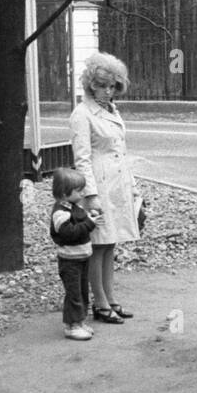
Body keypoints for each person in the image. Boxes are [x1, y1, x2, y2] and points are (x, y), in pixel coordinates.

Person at [70, 52, 139, 326]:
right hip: (98, 184)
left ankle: (110, 297)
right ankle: (99, 303)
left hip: (116, 183)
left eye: (112, 86)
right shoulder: (82, 114)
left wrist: (132, 186)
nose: (108, 91)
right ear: (91, 85)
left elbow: (120, 150)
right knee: (98, 245)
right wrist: (91, 195)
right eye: (102, 86)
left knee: (111, 244)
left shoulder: (112, 110)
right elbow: (82, 158)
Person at [49, 168, 101, 341]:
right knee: (74, 293)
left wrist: (89, 217)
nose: (82, 193)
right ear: (65, 193)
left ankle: (79, 320)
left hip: (82, 256)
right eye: (78, 190)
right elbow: (69, 233)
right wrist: (89, 224)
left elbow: (82, 217)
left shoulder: (74, 207)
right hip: (70, 259)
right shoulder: (60, 213)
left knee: (82, 290)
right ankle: (72, 325)